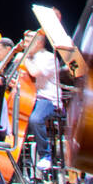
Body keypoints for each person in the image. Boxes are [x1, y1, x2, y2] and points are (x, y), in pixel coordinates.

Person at [23, 32, 61, 174]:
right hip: (32, 98)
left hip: (48, 99)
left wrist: (24, 58)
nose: (25, 46)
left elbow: (35, 73)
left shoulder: (49, 58)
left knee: (36, 119)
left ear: (38, 43)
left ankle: (46, 155)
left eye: (28, 42)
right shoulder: (31, 58)